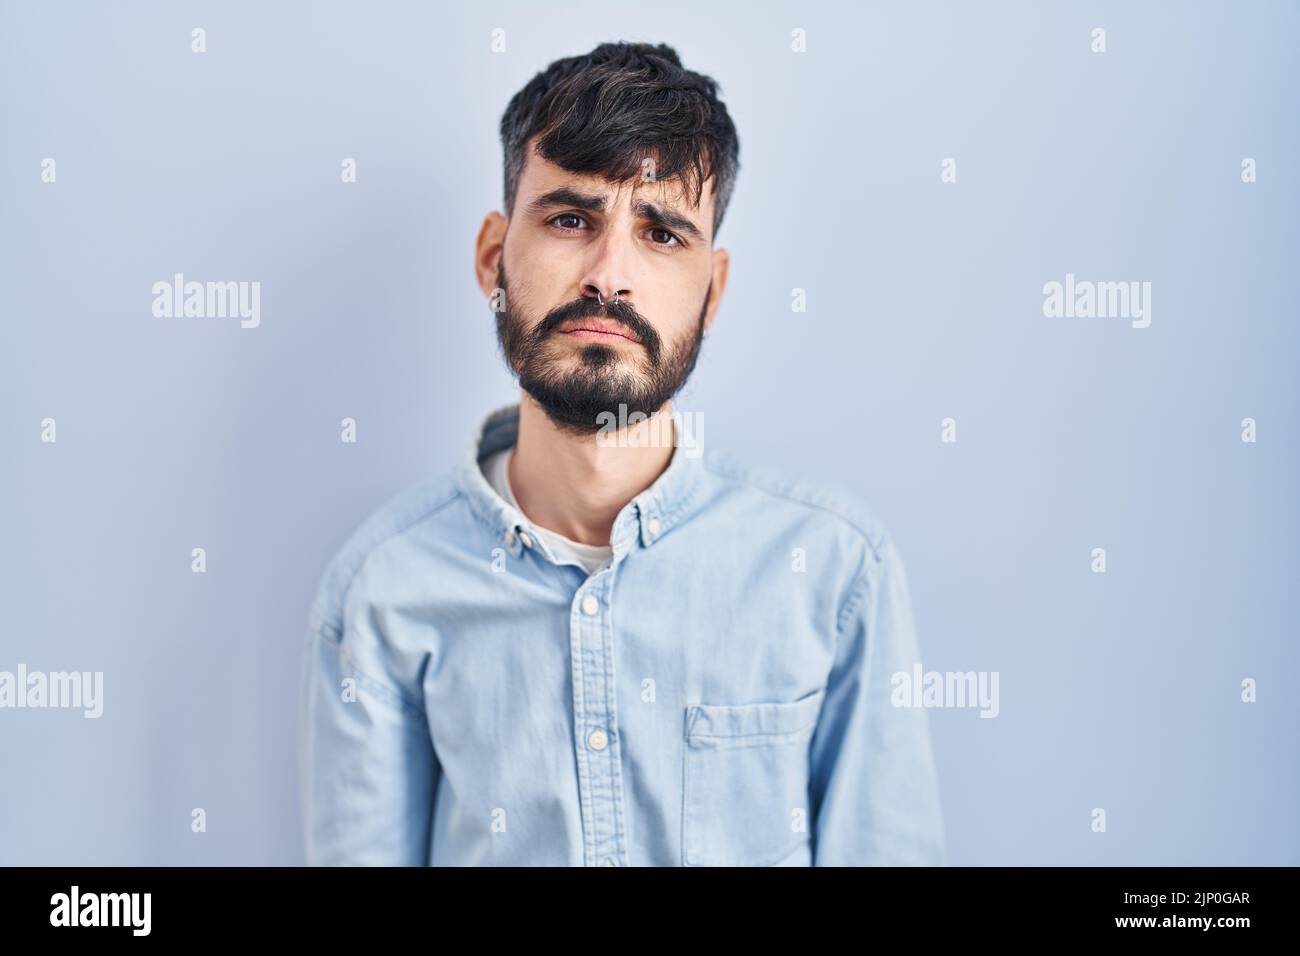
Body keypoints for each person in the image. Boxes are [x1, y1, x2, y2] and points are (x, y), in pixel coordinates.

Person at [300, 40, 944, 866]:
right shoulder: (382, 592)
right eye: (572, 219)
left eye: (662, 233)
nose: (611, 275)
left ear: (712, 291)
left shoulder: (830, 570)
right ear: (494, 258)